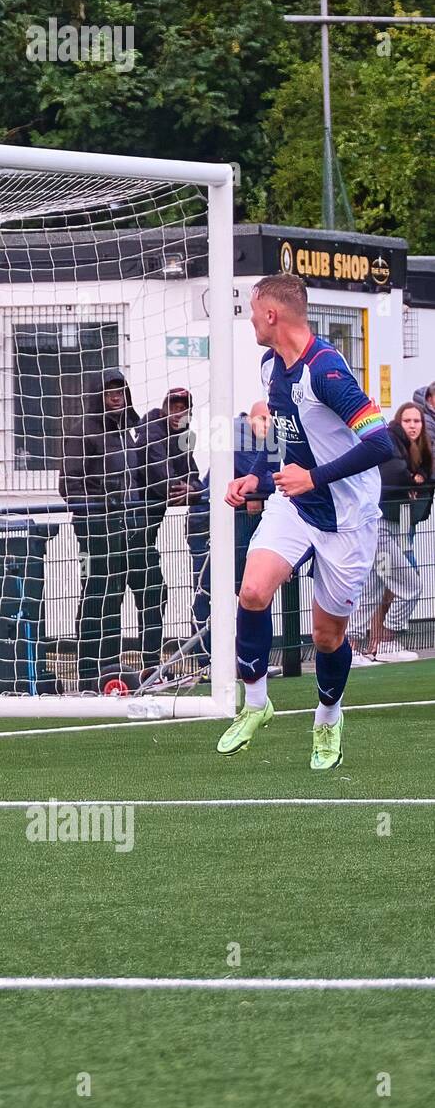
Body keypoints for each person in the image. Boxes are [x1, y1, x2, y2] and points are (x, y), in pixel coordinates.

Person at [217, 273, 392, 770]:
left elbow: (381, 444)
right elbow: (282, 437)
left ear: (272, 315)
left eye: (253, 310)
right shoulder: (273, 363)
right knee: (251, 592)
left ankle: (328, 718)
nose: (250, 319)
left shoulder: (328, 373)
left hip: (348, 520)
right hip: (295, 506)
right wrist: (254, 477)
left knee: (326, 638)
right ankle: (256, 705)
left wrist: (313, 478)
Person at [59, 368, 138, 689]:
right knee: (95, 594)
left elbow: (137, 478)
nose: (116, 398)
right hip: (94, 528)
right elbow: (69, 486)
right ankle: (89, 670)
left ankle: (109, 666)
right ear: (98, 396)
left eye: (120, 392)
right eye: (109, 393)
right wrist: (101, 509)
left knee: (115, 595)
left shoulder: (127, 433)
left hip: (127, 528)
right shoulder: (82, 432)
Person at [188, 402, 278, 666]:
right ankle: (206, 662)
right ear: (249, 418)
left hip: (237, 526)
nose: (267, 424)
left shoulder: (269, 442)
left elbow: (273, 477)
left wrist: (260, 491)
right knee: (208, 590)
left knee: (248, 590)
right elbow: (268, 476)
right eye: (262, 418)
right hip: (206, 525)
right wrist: (261, 488)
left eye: (271, 420)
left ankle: (244, 659)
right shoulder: (236, 438)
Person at [350, 401, 433, 663]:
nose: (412, 426)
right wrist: (412, 480)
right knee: (411, 585)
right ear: (398, 421)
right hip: (380, 526)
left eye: (417, 421)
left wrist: (417, 478)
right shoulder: (390, 439)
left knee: (374, 588)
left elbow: (426, 476)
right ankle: (385, 641)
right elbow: (393, 474)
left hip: (396, 526)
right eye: (407, 420)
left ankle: (351, 648)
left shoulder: (420, 450)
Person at [130, 386, 201, 675]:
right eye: (174, 406)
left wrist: (192, 490)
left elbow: (193, 478)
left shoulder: (184, 437)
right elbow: (166, 482)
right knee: (110, 598)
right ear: (163, 408)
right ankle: (96, 671)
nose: (178, 413)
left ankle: (149, 668)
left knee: (153, 595)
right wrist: (187, 490)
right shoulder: (150, 430)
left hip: (146, 531)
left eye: (183, 408)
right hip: (126, 527)